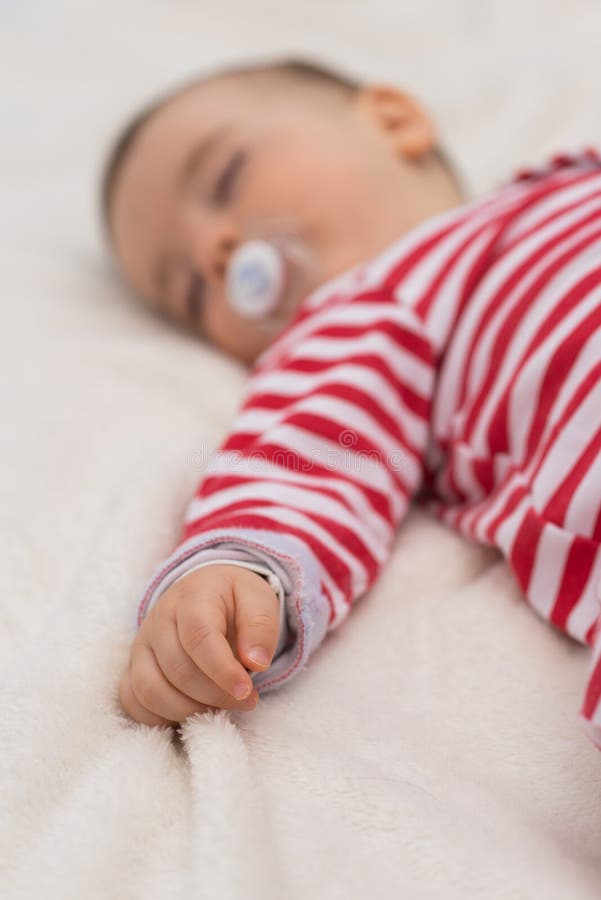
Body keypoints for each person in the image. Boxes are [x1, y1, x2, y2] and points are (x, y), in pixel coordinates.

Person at [101, 56, 601, 753]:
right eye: (189, 291)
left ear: (393, 120)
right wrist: (238, 575)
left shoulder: (557, 180)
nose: (213, 249)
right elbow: (303, 458)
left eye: (225, 178)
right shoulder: (359, 317)